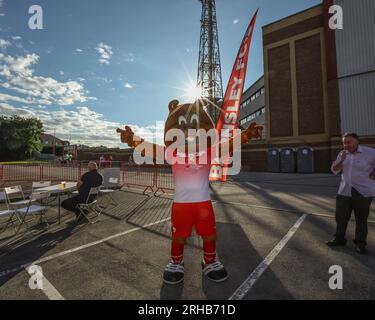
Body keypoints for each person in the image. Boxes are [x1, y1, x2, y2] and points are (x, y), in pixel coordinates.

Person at [326, 133, 375, 254]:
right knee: (341, 217)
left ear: (357, 141)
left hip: (363, 191)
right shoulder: (342, 154)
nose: (346, 145)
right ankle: (339, 238)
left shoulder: (370, 152)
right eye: (344, 142)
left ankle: (360, 243)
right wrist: (341, 160)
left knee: (361, 219)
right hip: (344, 191)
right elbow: (334, 170)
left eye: (349, 142)